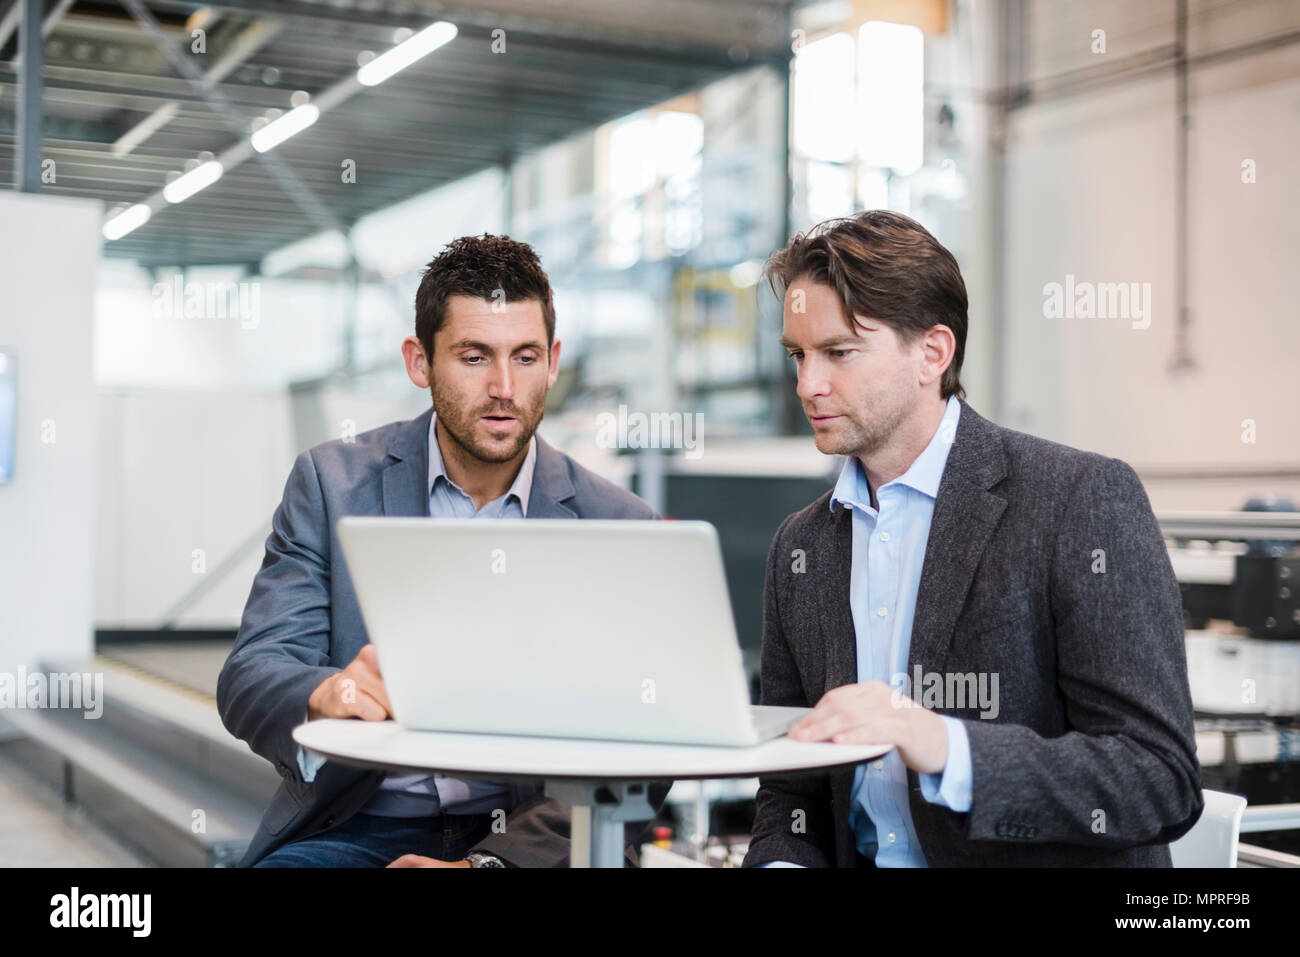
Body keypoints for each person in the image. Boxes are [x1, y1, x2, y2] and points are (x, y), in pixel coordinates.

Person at [743, 210, 1203, 867]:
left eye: (839, 351)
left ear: (933, 351)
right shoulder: (801, 546)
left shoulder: (1077, 501)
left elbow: (1159, 778)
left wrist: (944, 745)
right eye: (798, 354)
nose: (807, 384)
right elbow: (791, 789)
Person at [219, 234, 663, 867]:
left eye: (526, 356)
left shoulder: (619, 526)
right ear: (419, 362)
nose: (506, 387)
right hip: (359, 825)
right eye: (475, 357)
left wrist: (489, 866)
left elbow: (639, 753)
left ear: (555, 360)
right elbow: (252, 675)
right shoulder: (332, 485)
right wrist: (331, 694)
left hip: (529, 844)